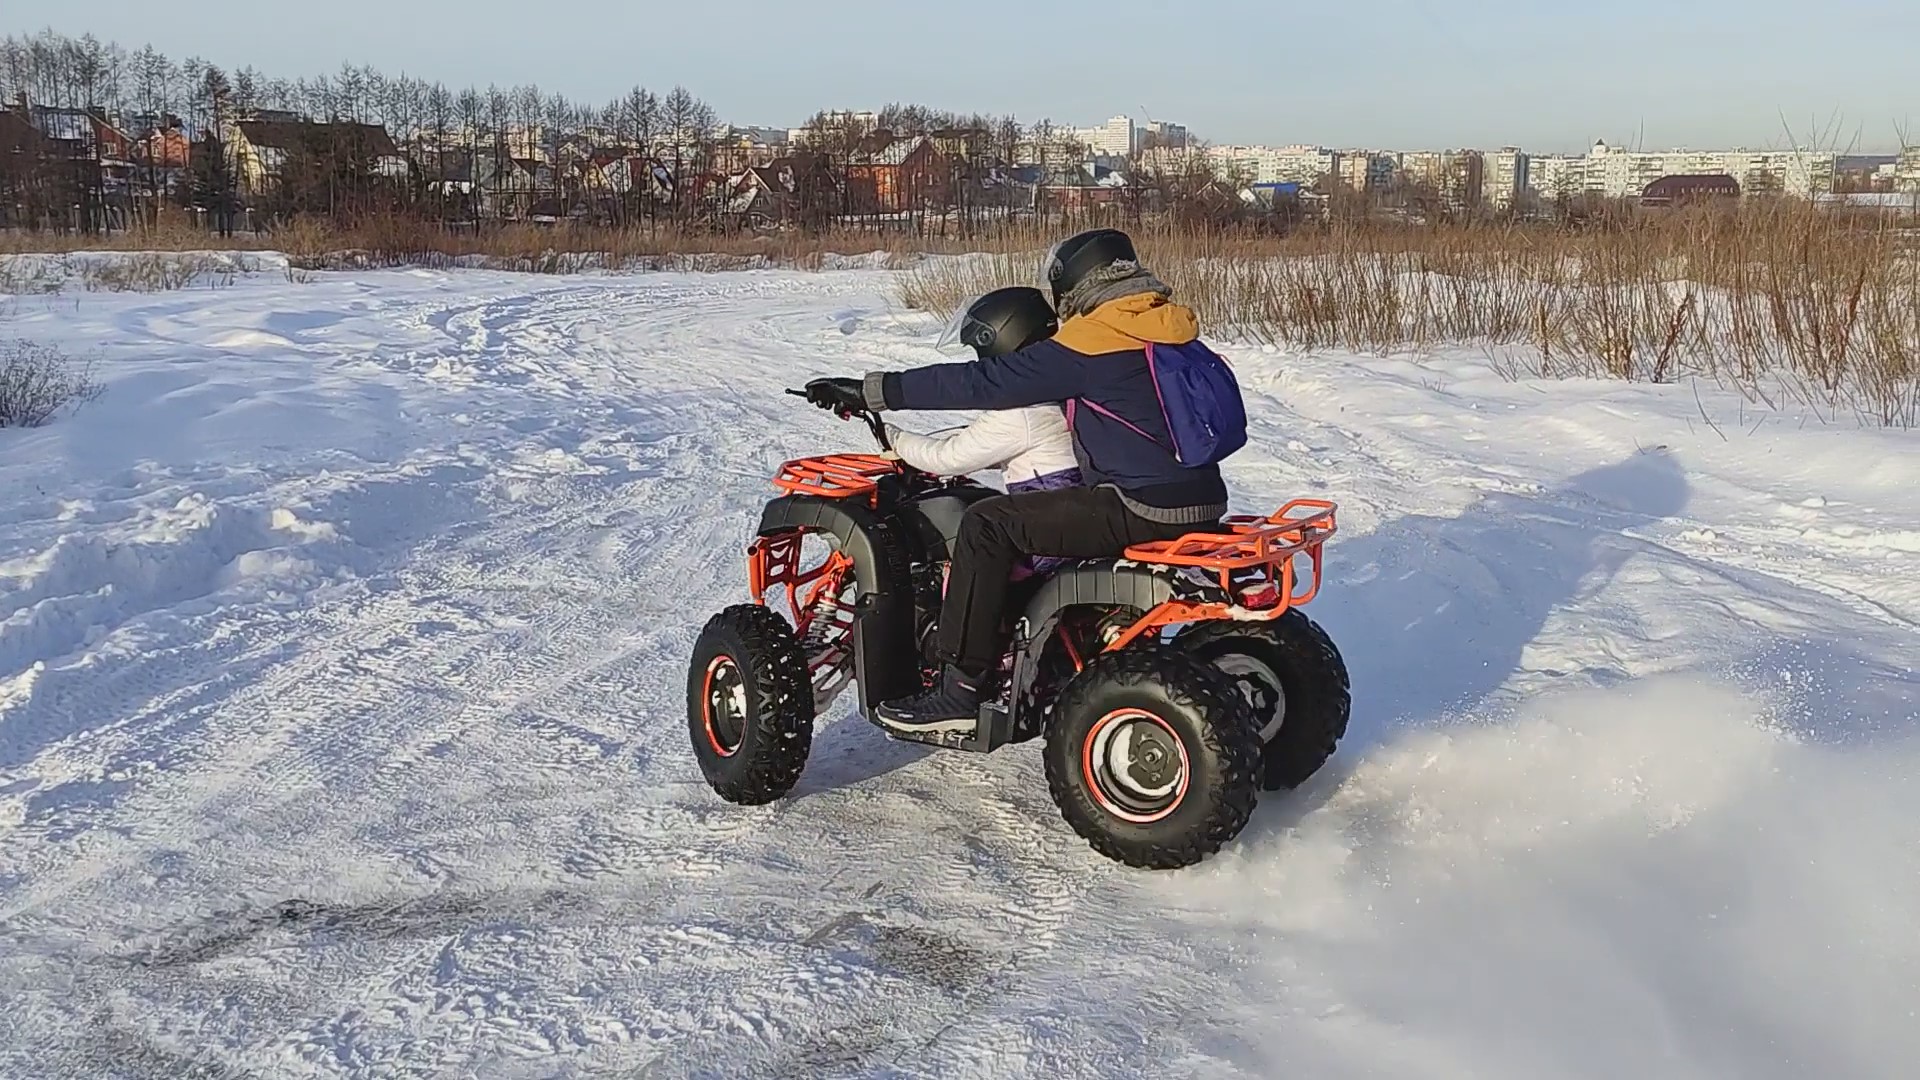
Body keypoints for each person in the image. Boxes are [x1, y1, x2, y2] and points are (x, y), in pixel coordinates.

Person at [804, 228, 1241, 731]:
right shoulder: (1164, 327)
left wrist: (872, 391)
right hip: (1204, 499)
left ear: (1075, 282)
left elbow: (980, 382)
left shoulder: (1095, 338)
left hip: (1139, 505)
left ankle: (960, 688)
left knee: (987, 523)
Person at [885, 286, 1080, 498]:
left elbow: (947, 458)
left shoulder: (1020, 410)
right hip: (1072, 499)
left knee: (974, 515)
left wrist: (894, 437)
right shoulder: (1058, 382)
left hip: (1049, 507)